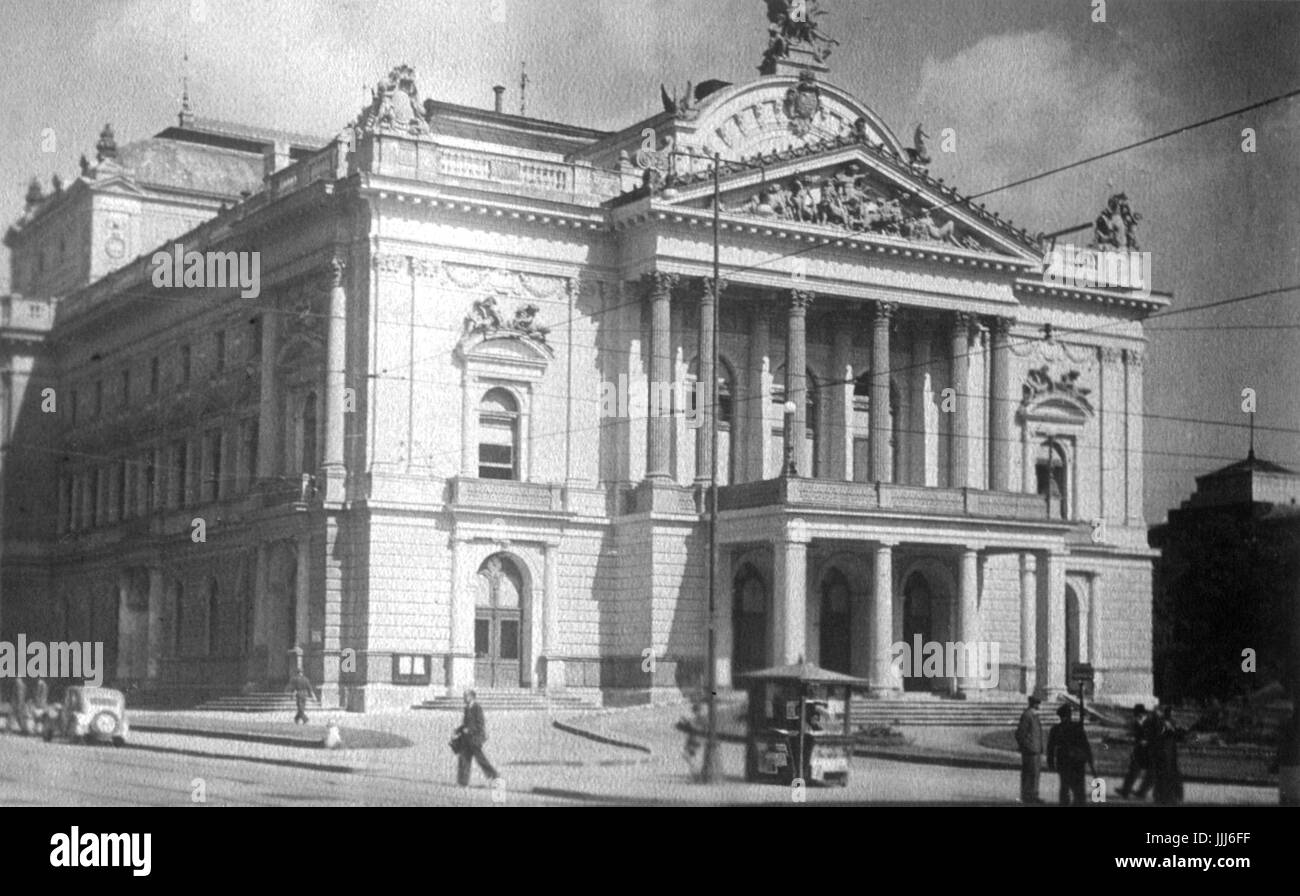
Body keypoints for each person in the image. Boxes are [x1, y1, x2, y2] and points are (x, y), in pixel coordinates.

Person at [1046, 704, 1096, 806]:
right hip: (1078, 761)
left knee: (1065, 786)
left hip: (1063, 761)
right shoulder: (1077, 727)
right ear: (1070, 715)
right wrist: (1090, 759)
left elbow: (1050, 748)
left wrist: (1050, 762)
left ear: (1060, 716)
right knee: (1079, 787)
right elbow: (1085, 744)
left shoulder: (1056, 729)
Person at [454, 689, 499, 787]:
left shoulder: (477, 708)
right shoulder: (467, 708)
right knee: (463, 760)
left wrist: (470, 730)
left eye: (465, 696)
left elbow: (480, 724)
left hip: (475, 739)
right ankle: (462, 782)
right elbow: (465, 723)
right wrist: (458, 730)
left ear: (471, 697)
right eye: (464, 696)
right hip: (466, 739)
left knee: (481, 760)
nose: (464, 698)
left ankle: (495, 777)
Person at [1150, 705, 1186, 805]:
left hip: (1167, 752)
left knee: (1167, 775)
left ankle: (1165, 797)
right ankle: (1166, 797)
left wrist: (1175, 729)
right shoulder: (1162, 722)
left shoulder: (1169, 722)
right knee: (1167, 775)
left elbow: (1178, 735)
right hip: (1164, 752)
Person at [1117, 704, 1154, 799]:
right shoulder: (1137, 722)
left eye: (1138, 714)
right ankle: (1126, 790)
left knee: (1151, 773)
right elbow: (1136, 735)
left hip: (1151, 750)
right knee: (1133, 770)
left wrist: (1146, 740)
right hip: (1140, 750)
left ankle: (1142, 792)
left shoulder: (1151, 721)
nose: (1137, 716)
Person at [1015, 695, 1045, 803]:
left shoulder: (1034, 715)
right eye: (1037, 704)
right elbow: (1020, 733)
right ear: (1033, 704)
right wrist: (1027, 746)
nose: (1038, 706)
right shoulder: (1027, 715)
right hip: (1030, 751)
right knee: (1029, 774)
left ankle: (1034, 795)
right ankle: (1027, 796)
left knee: (1035, 774)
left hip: (1036, 750)